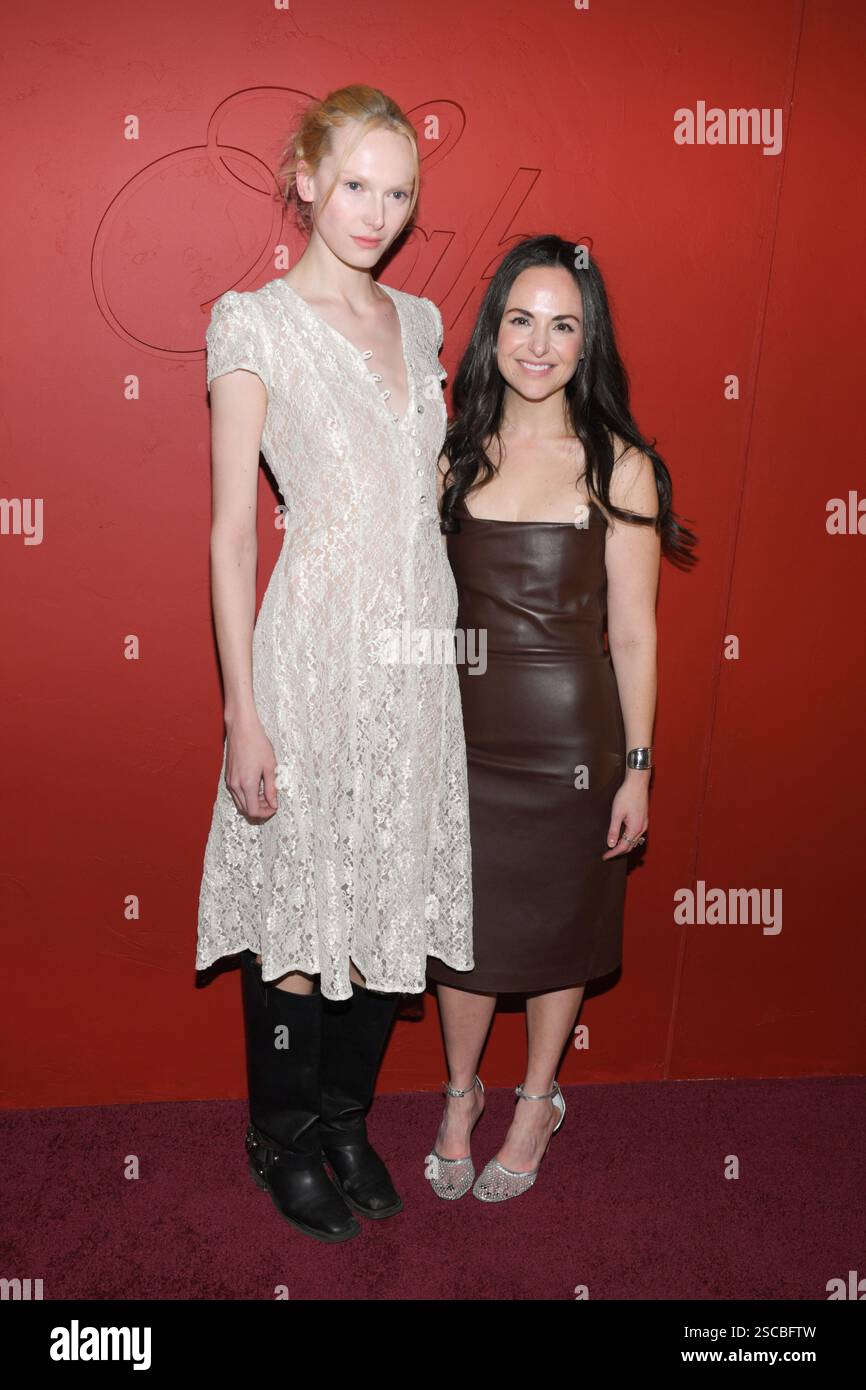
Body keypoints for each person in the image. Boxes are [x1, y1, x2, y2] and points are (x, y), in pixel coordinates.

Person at [196, 85, 474, 1243]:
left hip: (415, 643)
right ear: (305, 178)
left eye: (398, 190)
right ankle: (284, 1134)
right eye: (355, 182)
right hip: (308, 645)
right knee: (301, 904)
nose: (377, 209)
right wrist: (240, 715)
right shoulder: (248, 320)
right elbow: (225, 530)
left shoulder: (419, 321)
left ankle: (349, 1120)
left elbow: (426, 498)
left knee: (392, 887)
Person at [425, 235, 697, 1203]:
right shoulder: (450, 450)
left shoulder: (618, 465)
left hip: (571, 748)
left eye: (562, 325)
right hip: (461, 734)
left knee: (557, 929)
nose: (537, 344)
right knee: (459, 928)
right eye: (519, 320)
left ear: (587, 343)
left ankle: (537, 1096)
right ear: (492, 329)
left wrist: (635, 765)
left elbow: (633, 630)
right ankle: (459, 1091)